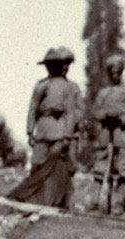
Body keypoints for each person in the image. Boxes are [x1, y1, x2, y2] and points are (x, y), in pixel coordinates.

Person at [8, 46, 83, 209]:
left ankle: (60, 202)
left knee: (60, 169)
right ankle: (35, 199)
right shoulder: (41, 86)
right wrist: (30, 131)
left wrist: (67, 136)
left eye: (58, 64)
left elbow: (72, 112)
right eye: (52, 65)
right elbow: (33, 107)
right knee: (38, 164)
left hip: (60, 130)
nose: (56, 68)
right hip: (42, 130)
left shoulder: (71, 88)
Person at [91, 54, 125, 216]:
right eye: (112, 73)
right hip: (106, 134)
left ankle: (118, 204)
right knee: (100, 169)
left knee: (123, 170)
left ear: (121, 73)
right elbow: (96, 111)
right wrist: (105, 116)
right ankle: (94, 203)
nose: (115, 76)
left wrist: (122, 119)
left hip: (123, 134)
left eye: (118, 73)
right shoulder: (103, 94)